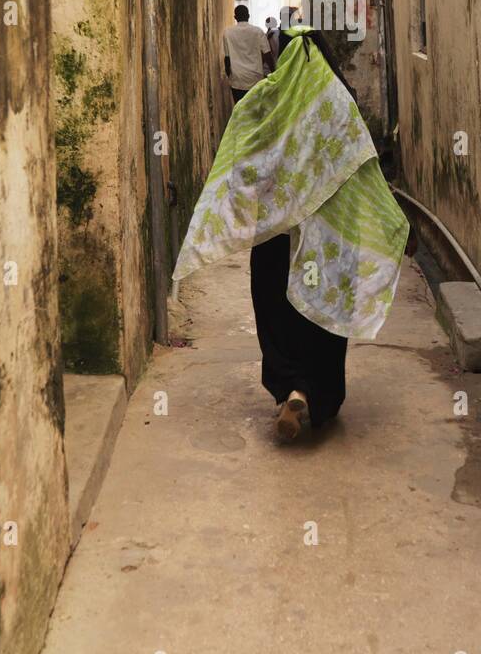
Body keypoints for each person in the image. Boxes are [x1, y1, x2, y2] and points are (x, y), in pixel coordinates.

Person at [173, 23, 411, 442]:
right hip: (331, 245)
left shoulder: (266, 102)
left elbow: (241, 166)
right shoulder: (340, 102)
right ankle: (316, 392)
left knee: (276, 311)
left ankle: (287, 388)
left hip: (276, 241)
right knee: (323, 317)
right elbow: (363, 170)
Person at [222, 4, 272, 103]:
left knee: (240, 110)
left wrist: (229, 75)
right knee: (256, 110)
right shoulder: (258, 31)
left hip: (237, 80)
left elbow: (227, 59)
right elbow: (267, 54)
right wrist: (274, 72)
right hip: (255, 78)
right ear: (248, 16)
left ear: (235, 17)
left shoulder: (227, 32)